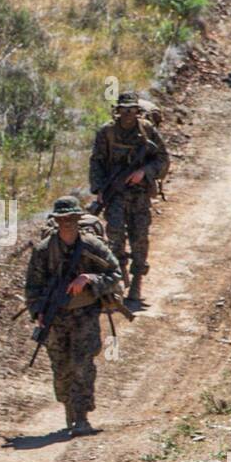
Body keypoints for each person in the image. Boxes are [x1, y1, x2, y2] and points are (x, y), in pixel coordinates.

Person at [24, 197, 122, 437]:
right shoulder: (44, 250)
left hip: (84, 313)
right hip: (54, 317)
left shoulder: (91, 246)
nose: (67, 223)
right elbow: (32, 287)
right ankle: (69, 407)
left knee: (82, 364)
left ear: (78, 219)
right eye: (62, 219)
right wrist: (37, 313)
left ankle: (81, 416)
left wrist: (90, 279)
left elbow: (115, 272)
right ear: (56, 221)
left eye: (71, 219)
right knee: (61, 367)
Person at [88, 91, 169, 306]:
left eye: (132, 110)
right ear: (117, 111)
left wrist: (144, 172)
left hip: (140, 194)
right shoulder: (107, 132)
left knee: (139, 236)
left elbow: (162, 159)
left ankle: (137, 281)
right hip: (115, 194)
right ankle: (120, 276)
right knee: (114, 235)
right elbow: (96, 161)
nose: (128, 114)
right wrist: (99, 188)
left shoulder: (147, 131)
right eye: (124, 110)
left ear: (138, 111)